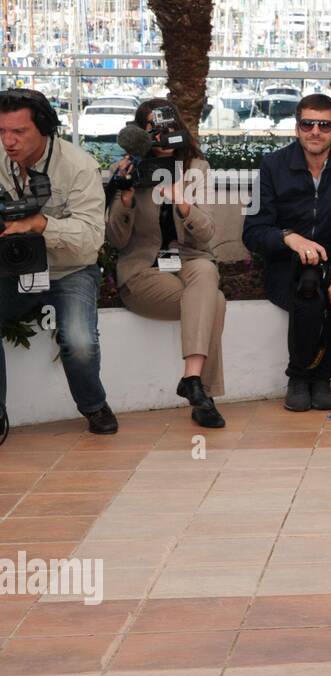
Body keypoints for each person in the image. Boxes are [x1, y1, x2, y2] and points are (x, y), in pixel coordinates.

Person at [243, 94, 331, 412]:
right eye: (307, 124)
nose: (315, 131)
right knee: (309, 297)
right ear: (297, 127)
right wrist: (288, 238)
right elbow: (253, 232)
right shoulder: (274, 165)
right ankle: (299, 377)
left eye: (324, 125)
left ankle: (324, 375)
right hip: (287, 264)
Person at [0, 88, 118, 438]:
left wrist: (42, 224)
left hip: (70, 269)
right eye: (2, 131)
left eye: (18, 132)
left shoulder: (79, 166)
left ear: (45, 129)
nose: (8, 141)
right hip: (12, 269)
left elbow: (92, 239)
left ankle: (94, 406)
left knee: (79, 340)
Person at [105, 98, 226, 428]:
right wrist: (126, 199)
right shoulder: (128, 169)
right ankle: (203, 395)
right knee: (212, 302)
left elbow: (207, 235)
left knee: (205, 269)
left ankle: (193, 381)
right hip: (143, 269)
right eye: (152, 129)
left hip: (189, 259)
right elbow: (115, 240)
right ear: (141, 133)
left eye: (169, 127)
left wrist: (184, 204)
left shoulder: (196, 168)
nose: (162, 135)